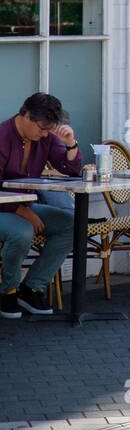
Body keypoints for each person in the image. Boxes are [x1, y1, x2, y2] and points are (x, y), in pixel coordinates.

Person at [0, 93, 81, 319]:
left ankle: (31, 288)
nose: (45, 133)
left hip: (25, 206)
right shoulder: (2, 136)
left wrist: (71, 144)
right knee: (22, 232)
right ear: (26, 115)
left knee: (73, 224)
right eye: (43, 128)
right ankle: (7, 291)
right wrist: (21, 210)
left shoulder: (44, 136)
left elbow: (70, 169)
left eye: (49, 129)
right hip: (6, 208)